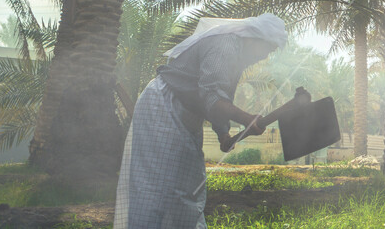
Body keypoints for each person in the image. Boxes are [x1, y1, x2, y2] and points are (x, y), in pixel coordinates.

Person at [114, 13, 287, 228]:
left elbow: (220, 97)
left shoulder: (237, 54)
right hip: (163, 106)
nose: (265, 57)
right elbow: (212, 99)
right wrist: (246, 118)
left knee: (187, 187)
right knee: (155, 185)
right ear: (254, 37)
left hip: (186, 115)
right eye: (267, 49)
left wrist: (223, 132)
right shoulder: (225, 45)